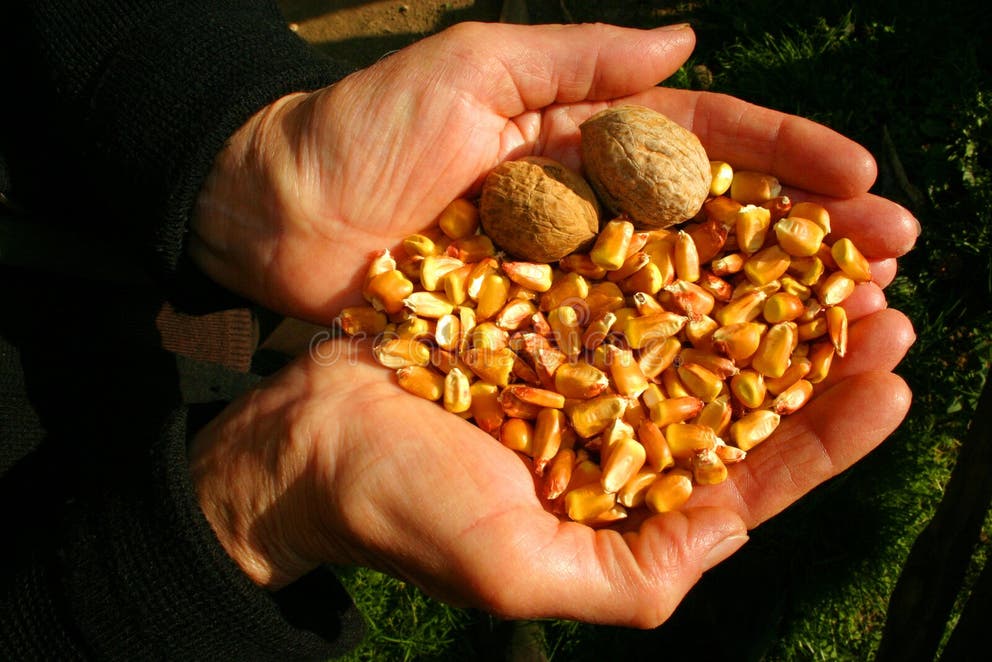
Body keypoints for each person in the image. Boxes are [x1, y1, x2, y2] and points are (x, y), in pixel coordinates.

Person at [0, 1, 919, 658]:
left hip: (76, 250)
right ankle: (249, 342)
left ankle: (247, 340)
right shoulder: (541, 313)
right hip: (85, 306)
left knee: (224, 340)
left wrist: (244, 146)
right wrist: (246, 514)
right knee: (247, 340)